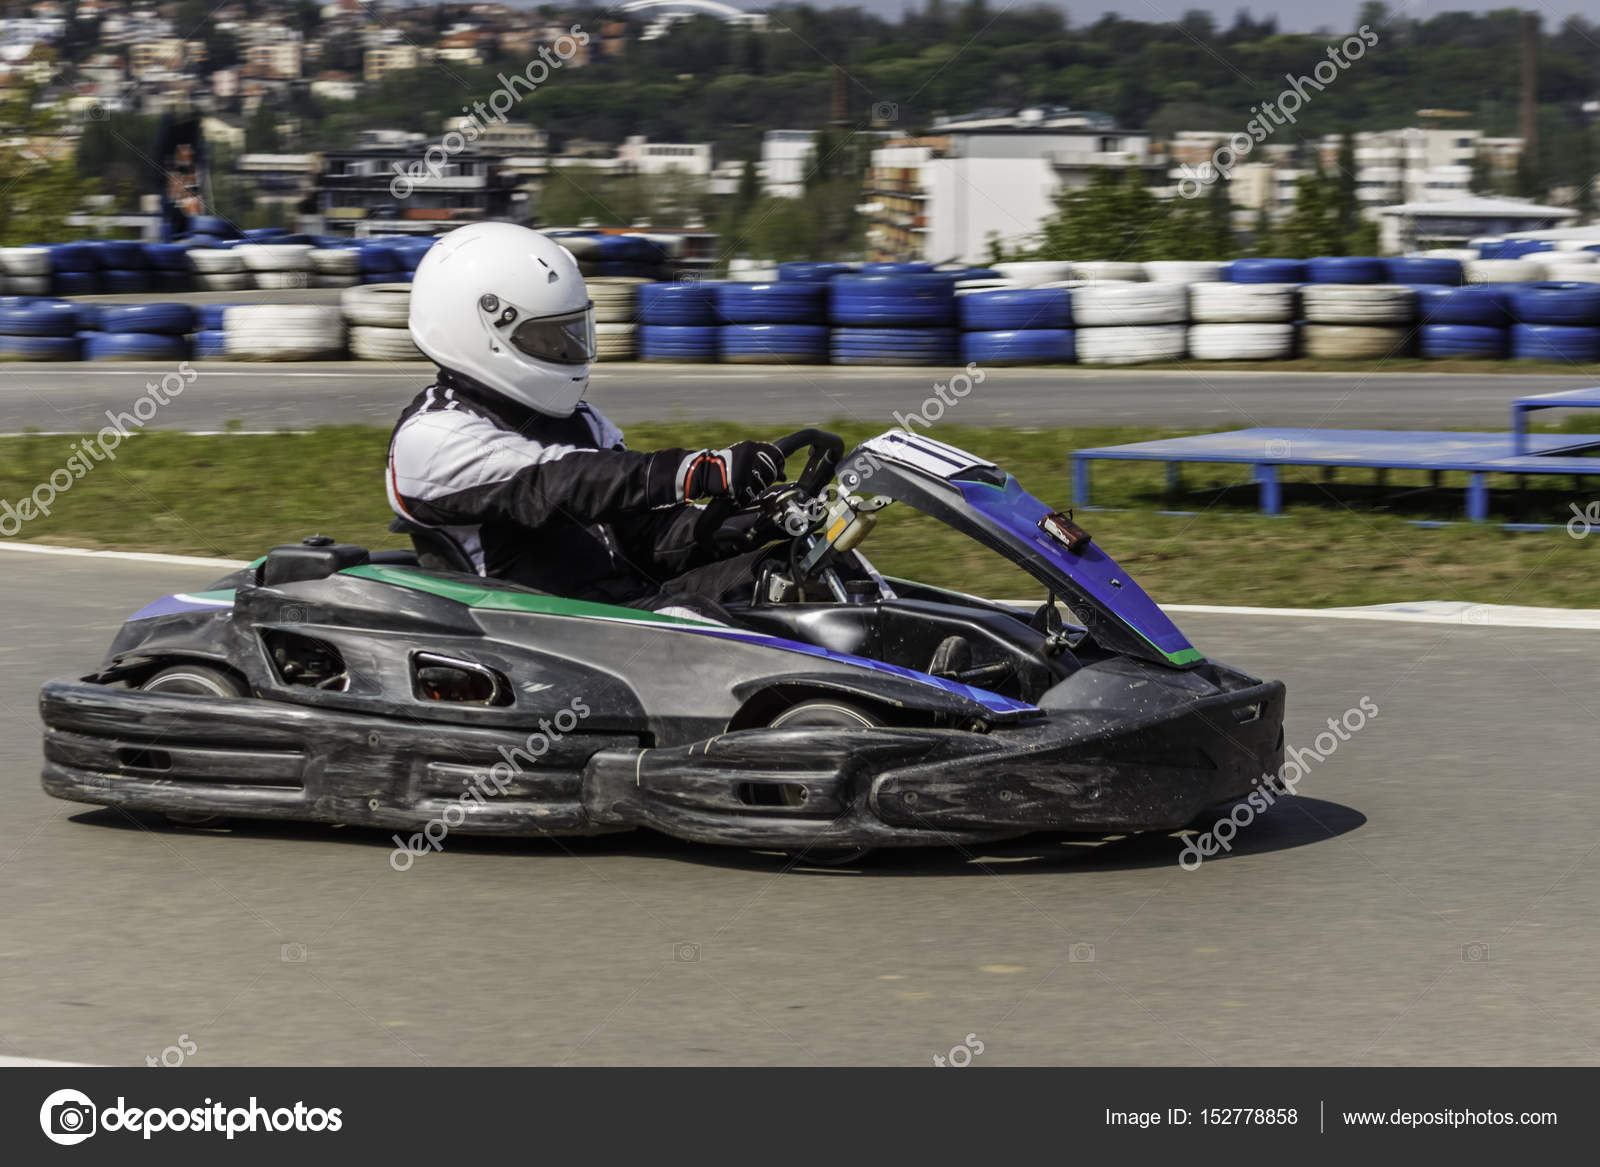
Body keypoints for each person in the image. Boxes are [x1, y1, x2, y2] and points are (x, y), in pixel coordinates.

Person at [385, 222, 785, 616]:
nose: (566, 350)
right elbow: (558, 483)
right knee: (712, 633)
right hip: (541, 634)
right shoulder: (430, 438)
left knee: (796, 573)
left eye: (571, 334)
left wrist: (751, 522)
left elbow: (643, 534)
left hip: (624, 608)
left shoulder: (579, 420)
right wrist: (694, 471)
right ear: (481, 333)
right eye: (548, 339)